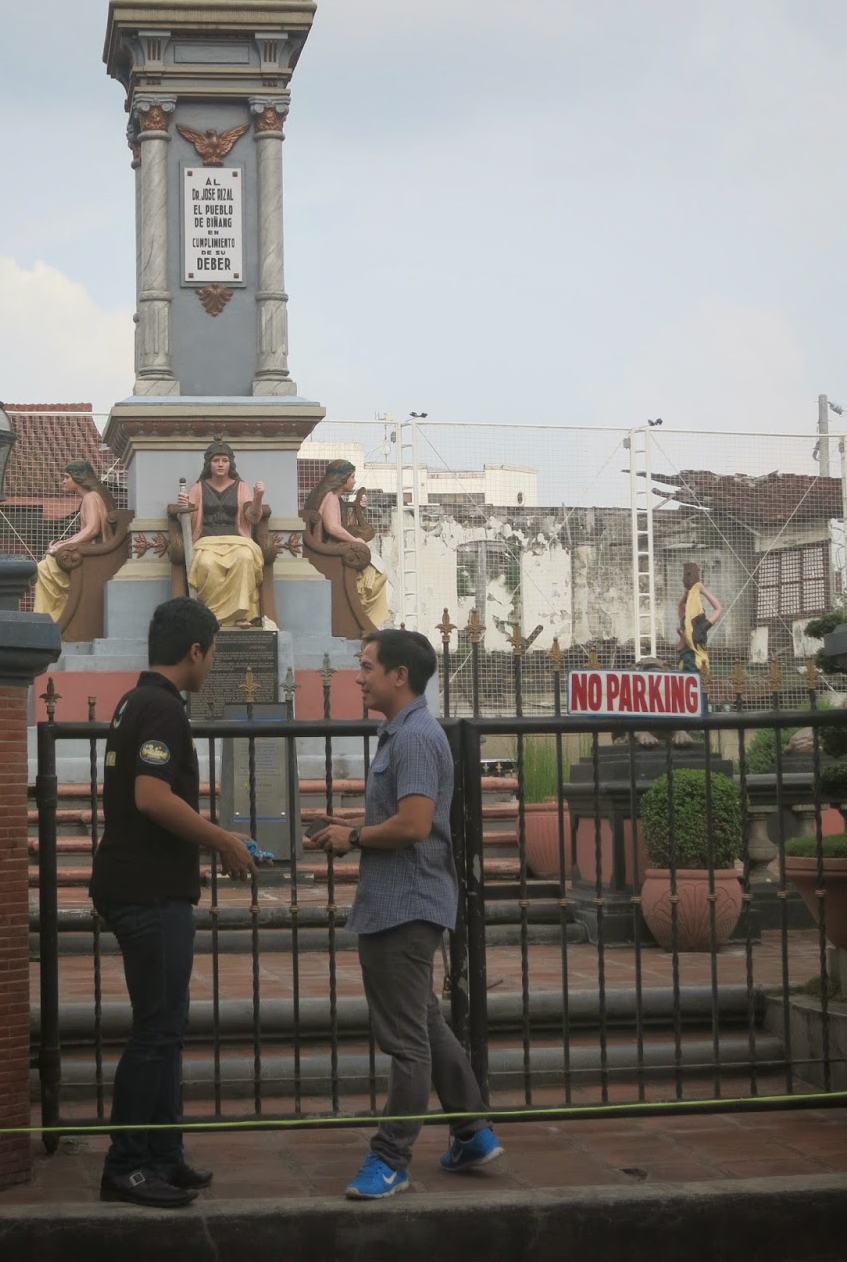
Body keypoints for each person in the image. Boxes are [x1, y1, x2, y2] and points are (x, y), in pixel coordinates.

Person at [309, 629, 503, 1199]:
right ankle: (472, 1133)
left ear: (400, 676)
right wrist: (349, 825)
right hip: (405, 902)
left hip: (403, 907)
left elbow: (415, 826)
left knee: (405, 1043)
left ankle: (390, 1158)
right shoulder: (403, 733)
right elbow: (404, 814)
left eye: (367, 666)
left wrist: (355, 837)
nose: (359, 675)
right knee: (426, 1027)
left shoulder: (415, 736)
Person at [90, 597, 257, 1208]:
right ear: (196, 651)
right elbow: (152, 797)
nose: (210, 663)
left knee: (168, 1026)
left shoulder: (137, 701)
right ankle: (127, 1165)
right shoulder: (162, 709)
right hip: (149, 891)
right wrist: (223, 841)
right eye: (211, 652)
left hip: (143, 886)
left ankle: (162, 1154)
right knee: (157, 1031)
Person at [179, 439, 266, 625]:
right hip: (207, 542)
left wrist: (258, 497)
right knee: (206, 564)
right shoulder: (198, 487)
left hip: (238, 541)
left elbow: (252, 517)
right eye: (216, 460)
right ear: (209, 463)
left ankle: (239, 615)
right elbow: (189, 520)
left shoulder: (241, 487)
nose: (220, 464)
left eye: (224, 460)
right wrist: (184, 507)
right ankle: (212, 617)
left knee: (245, 558)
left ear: (230, 464)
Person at [302, 459, 391, 627]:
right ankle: (362, 616)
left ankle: (363, 616)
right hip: (330, 553)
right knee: (377, 575)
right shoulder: (331, 498)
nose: (355, 481)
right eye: (352, 477)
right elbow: (333, 528)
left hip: (335, 549)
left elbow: (343, 526)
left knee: (377, 571)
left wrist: (358, 509)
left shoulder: (335, 498)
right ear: (342, 478)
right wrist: (355, 540)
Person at [33, 461, 114, 622]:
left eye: (66, 477)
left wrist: (64, 546)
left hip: (91, 558)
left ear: (79, 478)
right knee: (46, 564)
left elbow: (92, 529)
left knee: (43, 567)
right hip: (88, 554)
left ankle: (52, 616)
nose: (63, 481)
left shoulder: (90, 498)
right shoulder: (89, 498)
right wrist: (62, 543)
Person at [677, 562, 722, 679]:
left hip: (690, 662)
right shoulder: (699, 625)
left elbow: (680, 606)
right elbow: (718, 608)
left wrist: (689, 594)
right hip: (693, 661)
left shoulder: (690, 623)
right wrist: (703, 591)